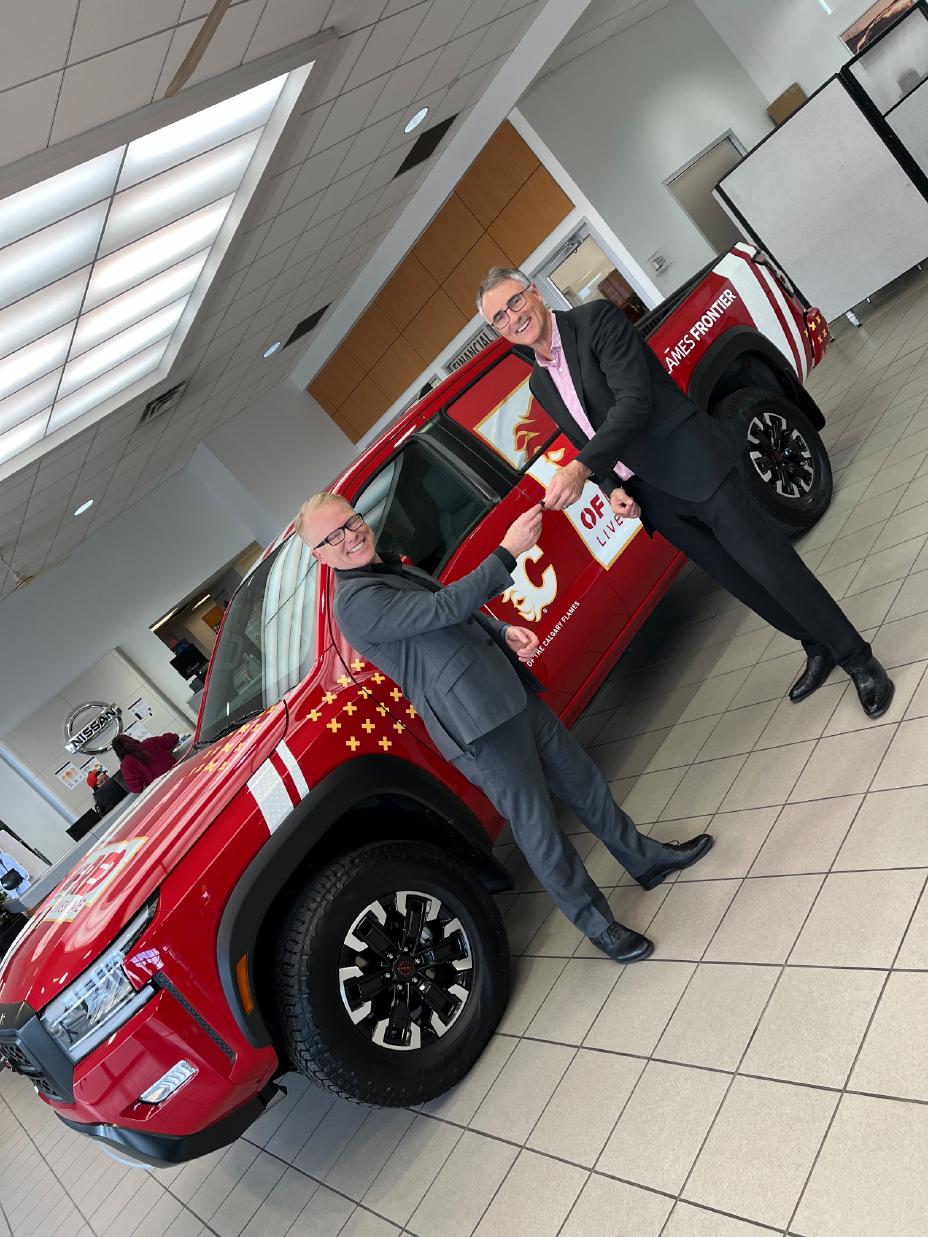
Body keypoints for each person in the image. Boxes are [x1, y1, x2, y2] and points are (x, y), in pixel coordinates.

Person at [295, 491, 713, 963]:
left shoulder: (388, 566)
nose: (352, 535)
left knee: (585, 784)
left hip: (506, 691)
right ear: (320, 555)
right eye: (335, 535)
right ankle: (599, 927)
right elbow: (442, 610)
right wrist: (507, 551)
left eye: (352, 521)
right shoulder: (354, 603)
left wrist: (500, 632)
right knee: (540, 831)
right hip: (476, 726)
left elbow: (449, 613)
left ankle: (645, 859)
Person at [476, 268, 894, 718]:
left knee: (772, 567)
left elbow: (634, 401)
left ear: (534, 292)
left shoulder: (595, 321)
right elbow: (584, 432)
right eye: (499, 318)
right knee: (742, 581)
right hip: (653, 498)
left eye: (514, 302)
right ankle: (816, 645)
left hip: (693, 466)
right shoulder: (540, 381)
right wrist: (610, 484)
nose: (512, 318)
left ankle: (857, 657)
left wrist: (582, 470)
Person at [111, 732, 179, 794]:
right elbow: (173, 738)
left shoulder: (125, 765)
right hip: (179, 774)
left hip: (161, 791)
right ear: (131, 739)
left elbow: (136, 789)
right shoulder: (149, 742)